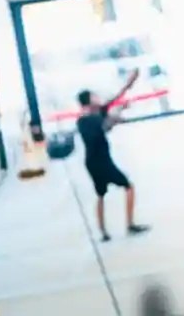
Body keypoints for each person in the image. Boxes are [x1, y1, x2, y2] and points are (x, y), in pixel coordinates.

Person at [76, 69, 150, 242]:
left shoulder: (94, 115)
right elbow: (104, 126)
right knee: (128, 186)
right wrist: (116, 116)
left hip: (95, 161)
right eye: (94, 96)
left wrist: (129, 84)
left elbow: (114, 100)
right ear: (88, 101)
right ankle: (130, 224)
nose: (98, 98)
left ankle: (103, 232)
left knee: (101, 194)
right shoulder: (85, 120)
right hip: (99, 161)